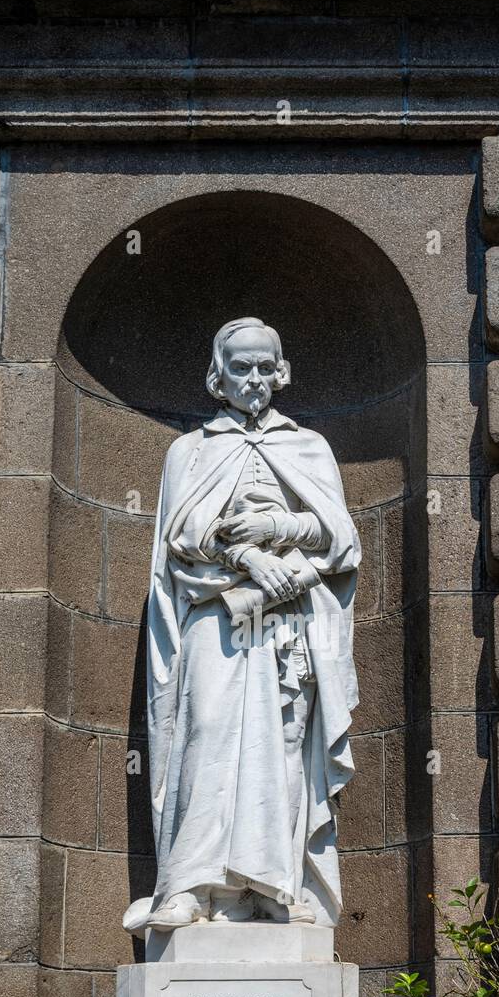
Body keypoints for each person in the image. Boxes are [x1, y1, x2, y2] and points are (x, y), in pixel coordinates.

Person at [123, 317, 360, 932]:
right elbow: (180, 538)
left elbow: (341, 539)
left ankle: (275, 887)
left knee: (282, 745)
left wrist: (279, 537)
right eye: (240, 367)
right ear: (218, 375)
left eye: (264, 367)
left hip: (287, 621)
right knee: (205, 731)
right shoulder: (191, 449)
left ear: (280, 372)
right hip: (216, 614)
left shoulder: (308, 447)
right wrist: (247, 557)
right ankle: (189, 887)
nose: (253, 378)